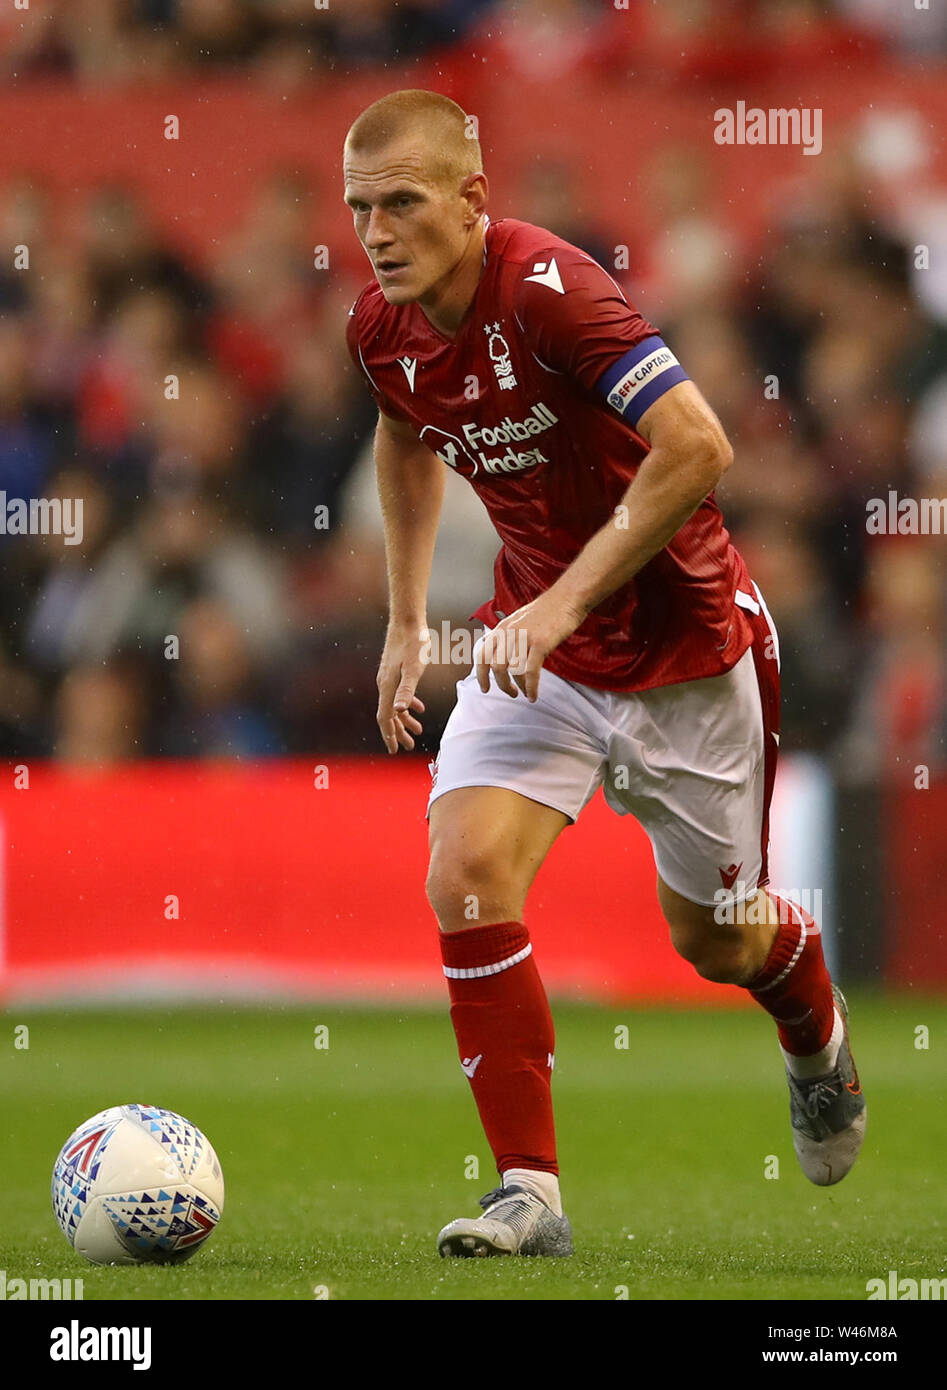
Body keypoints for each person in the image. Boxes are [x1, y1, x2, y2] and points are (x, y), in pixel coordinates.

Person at [343, 89, 866, 1258]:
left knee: (716, 942)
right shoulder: (381, 329)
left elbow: (700, 445)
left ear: (473, 200)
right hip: (538, 655)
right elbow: (401, 426)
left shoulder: (549, 292)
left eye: (402, 203)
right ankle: (527, 1189)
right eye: (359, 209)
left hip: (687, 655)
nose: (376, 233)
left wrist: (562, 599)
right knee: (466, 873)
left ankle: (814, 1025)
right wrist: (403, 619)